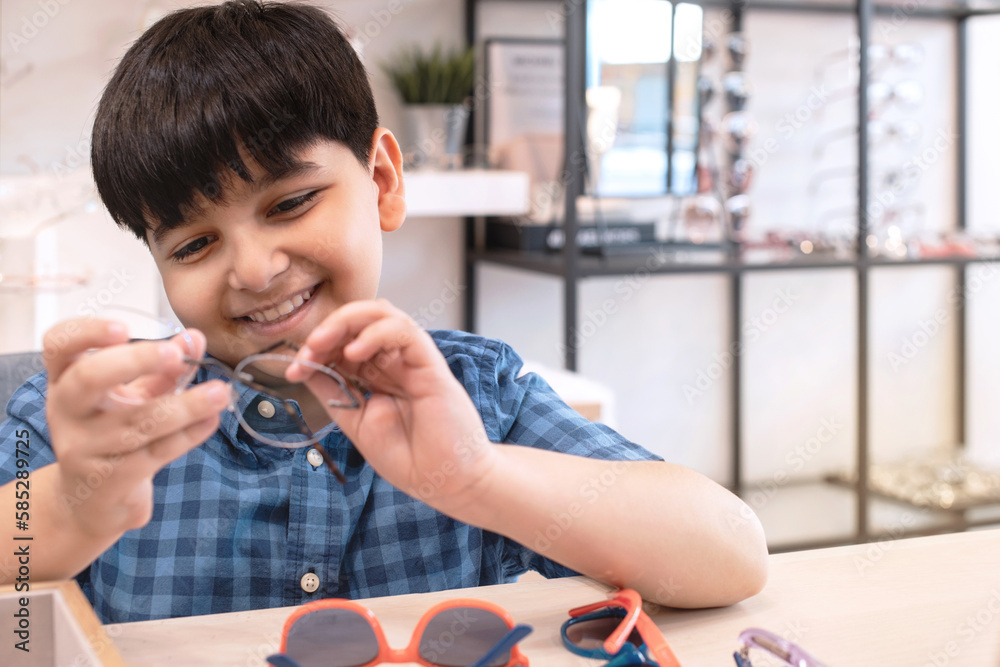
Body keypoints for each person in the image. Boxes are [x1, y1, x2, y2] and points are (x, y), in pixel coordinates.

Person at [0, 0, 767, 623]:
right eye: (195, 244)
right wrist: (74, 503)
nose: (254, 268)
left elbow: (731, 551)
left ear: (384, 179)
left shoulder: (476, 397)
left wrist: (479, 478)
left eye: (291, 202)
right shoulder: (102, 422)